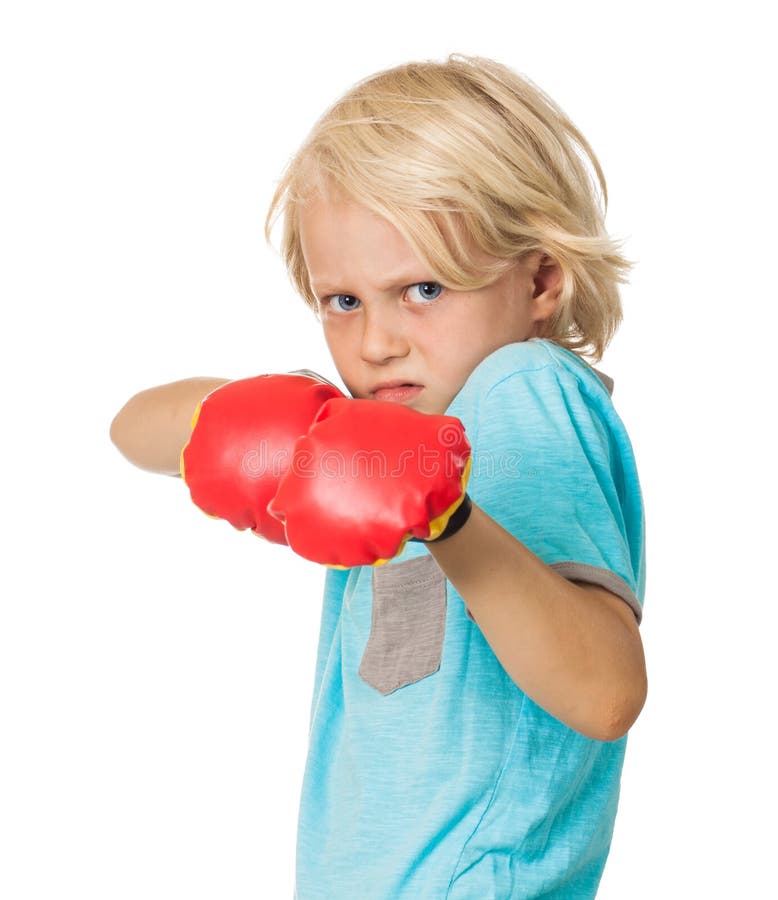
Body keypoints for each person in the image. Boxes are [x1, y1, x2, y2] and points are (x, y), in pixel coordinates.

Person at [111, 53, 647, 899]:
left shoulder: (523, 389)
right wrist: (281, 426)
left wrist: (447, 521)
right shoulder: (369, 432)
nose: (377, 342)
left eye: (424, 288)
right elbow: (132, 429)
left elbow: (608, 693)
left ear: (541, 279)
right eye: (344, 301)